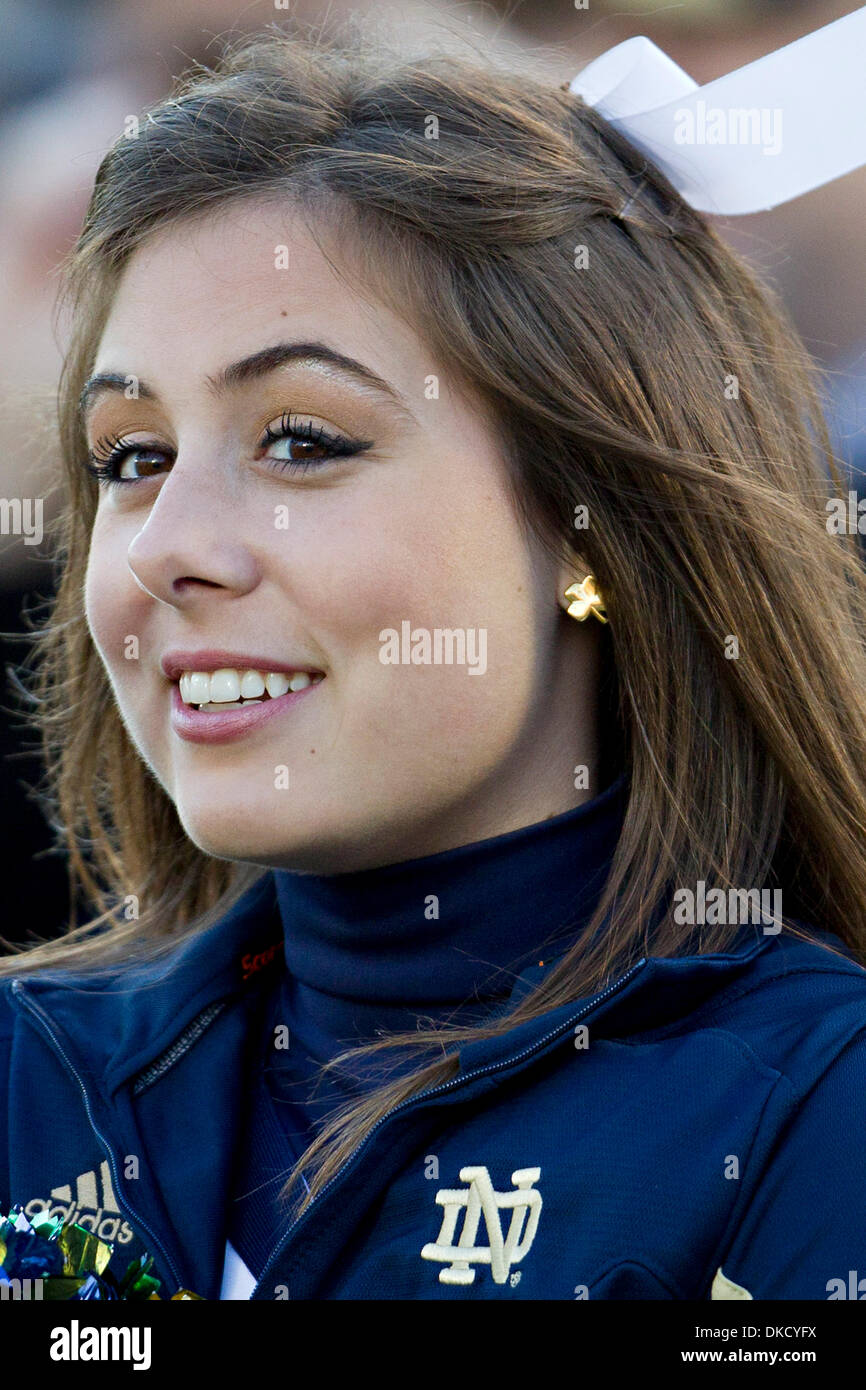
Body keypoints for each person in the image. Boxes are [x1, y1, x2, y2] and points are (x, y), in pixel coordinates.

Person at [2, 23, 866, 1302]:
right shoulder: (32, 1080)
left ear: (593, 536)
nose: (164, 549)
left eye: (300, 442)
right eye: (132, 457)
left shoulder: (812, 1105)